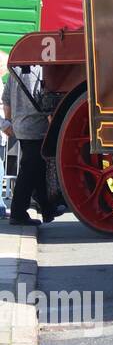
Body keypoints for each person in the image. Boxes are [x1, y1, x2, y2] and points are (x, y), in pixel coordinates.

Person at [3, 63, 54, 226]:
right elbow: (43, 98)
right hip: (35, 126)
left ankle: (47, 209)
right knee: (29, 170)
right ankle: (18, 212)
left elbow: (6, 101)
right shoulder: (39, 69)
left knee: (36, 168)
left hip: (20, 126)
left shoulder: (15, 70)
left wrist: (10, 122)